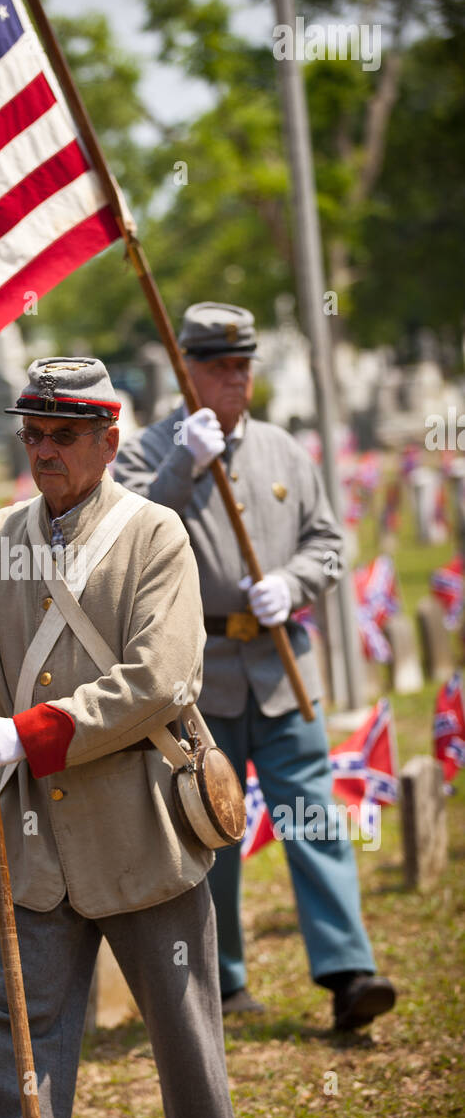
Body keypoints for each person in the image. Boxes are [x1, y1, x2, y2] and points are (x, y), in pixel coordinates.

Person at [0, 356, 251, 1118]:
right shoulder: (1, 538)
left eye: (63, 435)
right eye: (32, 434)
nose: (44, 449)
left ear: (109, 438)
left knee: (186, 1046)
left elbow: (164, 678)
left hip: (141, 833)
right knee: (19, 1052)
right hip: (33, 850)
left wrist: (26, 733)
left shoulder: (153, 533)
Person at [113, 301, 396, 1030]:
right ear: (187, 372)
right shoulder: (150, 449)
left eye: (243, 366)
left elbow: (328, 542)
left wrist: (293, 584)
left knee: (312, 818)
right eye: (218, 367)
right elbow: (127, 539)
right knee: (211, 826)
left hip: (279, 664)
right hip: (197, 673)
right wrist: (186, 464)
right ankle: (224, 978)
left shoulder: (282, 452)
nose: (235, 381)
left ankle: (348, 973)